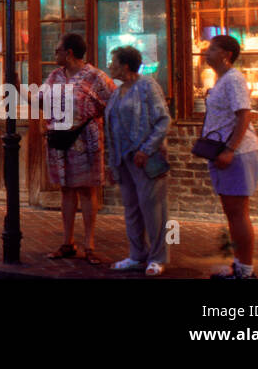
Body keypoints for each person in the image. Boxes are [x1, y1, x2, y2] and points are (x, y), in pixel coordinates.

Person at [42, 33, 115, 264]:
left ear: (69, 53)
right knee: (66, 188)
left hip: (86, 140)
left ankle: (89, 244)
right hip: (61, 139)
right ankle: (68, 242)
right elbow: (42, 99)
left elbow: (112, 103)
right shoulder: (55, 76)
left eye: (58, 51)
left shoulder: (95, 77)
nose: (55, 55)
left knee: (86, 190)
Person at [104, 45, 171, 276]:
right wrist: (111, 163)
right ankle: (136, 254)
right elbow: (111, 128)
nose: (110, 66)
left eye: (113, 62)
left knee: (153, 209)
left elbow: (163, 120)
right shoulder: (117, 92)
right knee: (131, 208)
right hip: (123, 159)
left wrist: (147, 149)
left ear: (125, 65)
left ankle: (158, 257)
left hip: (145, 159)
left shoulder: (147, 86)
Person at [200, 34, 258, 280]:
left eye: (212, 49)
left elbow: (244, 116)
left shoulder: (234, 79)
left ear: (225, 54)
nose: (207, 53)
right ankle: (239, 266)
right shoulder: (223, 79)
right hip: (225, 151)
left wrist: (230, 150)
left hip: (237, 153)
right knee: (232, 212)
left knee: (237, 213)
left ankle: (245, 271)